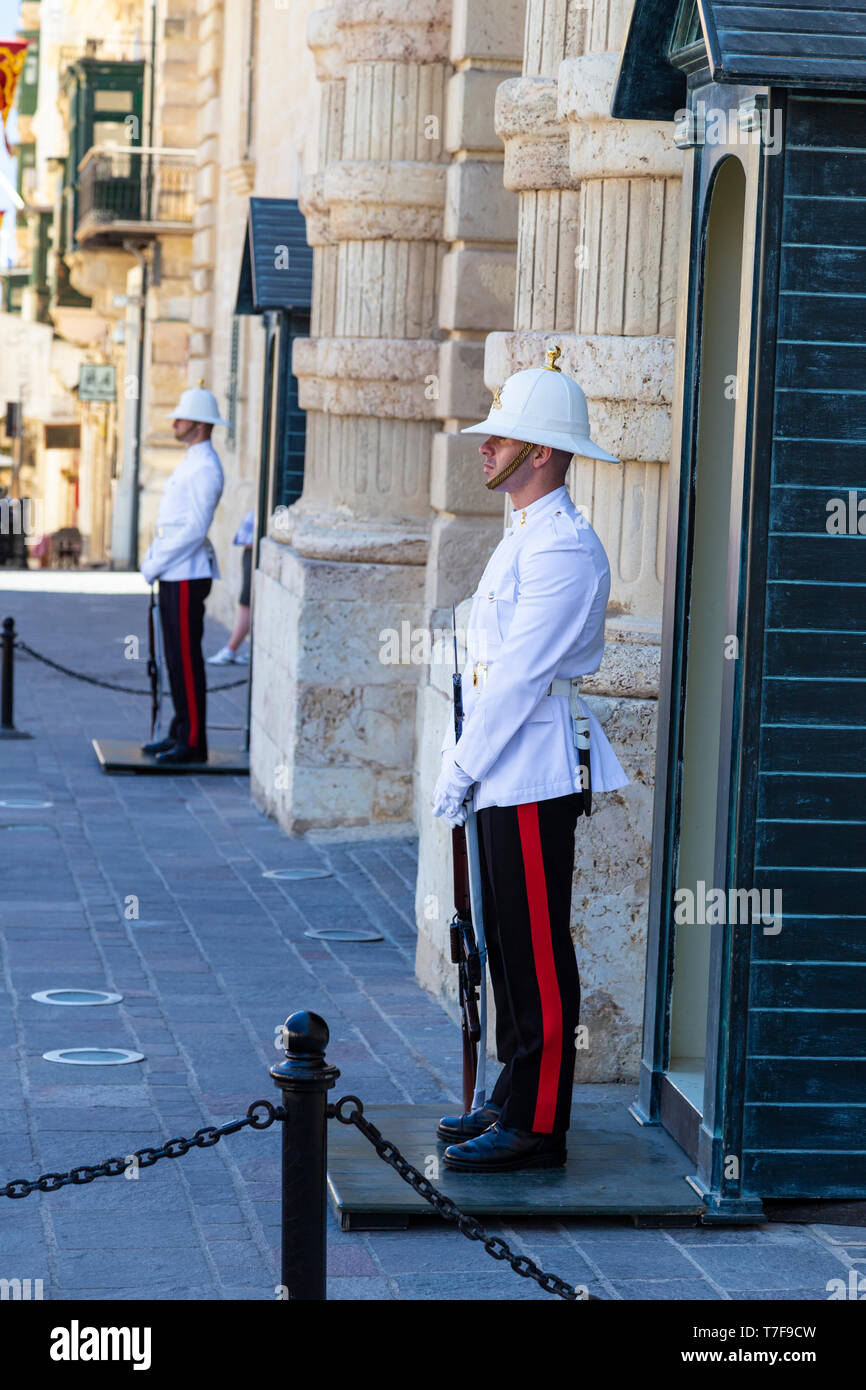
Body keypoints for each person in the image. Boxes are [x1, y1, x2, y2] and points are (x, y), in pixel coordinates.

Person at [432, 344, 630, 1173]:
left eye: (502, 436)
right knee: (505, 943)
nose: (485, 445)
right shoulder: (523, 535)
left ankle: (539, 1124)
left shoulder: (561, 549)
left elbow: (515, 681)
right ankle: (512, 1095)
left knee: (539, 949)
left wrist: (459, 769)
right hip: (503, 765)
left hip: (533, 766)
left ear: (540, 452)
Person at [140, 382, 226, 765]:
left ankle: (193, 741)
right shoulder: (192, 462)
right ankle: (179, 729)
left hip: (187, 574)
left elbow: (194, 529)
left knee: (187, 659)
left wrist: (156, 563)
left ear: (201, 424)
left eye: (182, 416)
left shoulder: (206, 467)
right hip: (175, 573)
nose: (174, 421)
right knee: (174, 657)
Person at [207, 508, 254, 665]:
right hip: (251, 543)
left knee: (247, 602)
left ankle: (230, 649)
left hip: (255, 546)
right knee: (248, 602)